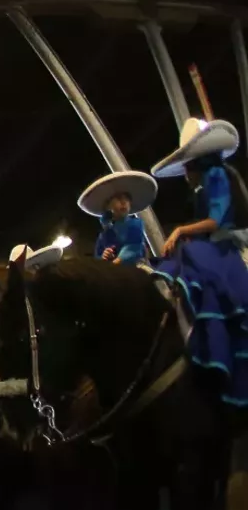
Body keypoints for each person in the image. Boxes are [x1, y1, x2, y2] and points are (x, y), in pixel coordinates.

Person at [148, 117, 248, 405]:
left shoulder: (216, 174)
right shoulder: (211, 179)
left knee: (190, 260)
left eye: (185, 169)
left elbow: (215, 222)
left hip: (229, 243)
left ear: (194, 164)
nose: (184, 176)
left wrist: (180, 231)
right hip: (217, 243)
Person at [77, 170, 156, 267]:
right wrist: (104, 256)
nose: (123, 202)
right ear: (108, 206)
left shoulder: (135, 224)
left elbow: (133, 247)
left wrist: (116, 263)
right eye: (119, 198)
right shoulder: (105, 233)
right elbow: (98, 256)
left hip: (136, 268)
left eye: (127, 199)